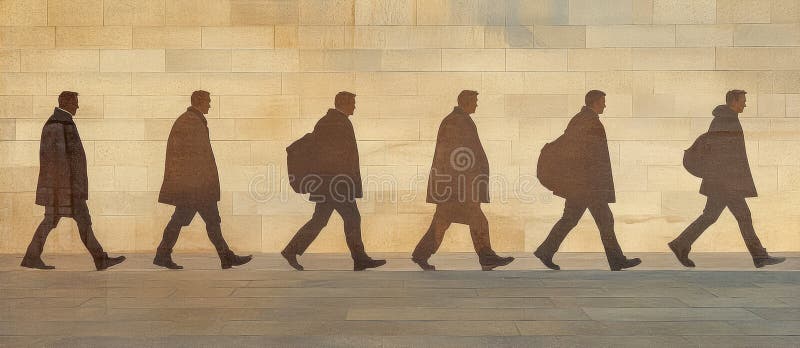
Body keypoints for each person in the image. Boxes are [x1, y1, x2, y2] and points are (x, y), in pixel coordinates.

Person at [668, 90, 785, 268]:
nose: (745, 104)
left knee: (710, 216)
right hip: (726, 183)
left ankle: (680, 244)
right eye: (743, 101)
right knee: (742, 216)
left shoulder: (726, 119)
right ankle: (759, 256)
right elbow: (720, 155)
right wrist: (731, 183)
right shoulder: (725, 120)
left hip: (722, 182)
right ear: (733, 101)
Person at [533, 90, 641, 271]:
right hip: (587, 185)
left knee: (576, 219)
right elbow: (581, 153)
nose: (605, 105)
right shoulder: (586, 120)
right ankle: (616, 260)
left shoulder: (585, 119)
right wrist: (591, 180)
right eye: (603, 102)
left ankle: (546, 251)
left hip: (584, 185)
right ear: (595, 102)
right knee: (602, 220)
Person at [281, 92, 386, 271]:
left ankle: (292, 250)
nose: (355, 107)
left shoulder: (330, 121)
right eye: (352, 103)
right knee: (352, 218)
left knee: (320, 219)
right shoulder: (336, 122)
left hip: (330, 183)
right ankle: (360, 259)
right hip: (336, 184)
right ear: (343, 103)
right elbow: (334, 156)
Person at [22, 91, 126, 271]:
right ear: (67, 103)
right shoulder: (62, 124)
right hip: (68, 189)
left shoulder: (55, 122)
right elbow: (66, 161)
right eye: (75, 103)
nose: (77, 106)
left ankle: (32, 256)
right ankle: (100, 260)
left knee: (51, 221)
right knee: (82, 221)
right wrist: (74, 190)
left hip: (60, 189)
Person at [411, 90, 515, 271]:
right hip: (458, 187)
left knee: (443, 221)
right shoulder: (457, 121)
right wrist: (465, 185)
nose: (476, 105)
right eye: (474, 101)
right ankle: (486, 258)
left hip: (456, 187)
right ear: (466, 102)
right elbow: (454, 157)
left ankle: (421, 254)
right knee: (476, 220)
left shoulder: (458, 120)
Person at [154, 90, 252, 270]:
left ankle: (225, 257)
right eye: (208, 101)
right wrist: (203, 184)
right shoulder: (191, 122)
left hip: (195, 186)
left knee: (206, 221)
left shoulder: (190, 120)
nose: (210, 105)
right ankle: (225, 257)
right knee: (201, 221)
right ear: (199, 102)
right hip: (196, 187)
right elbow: (196, 158)